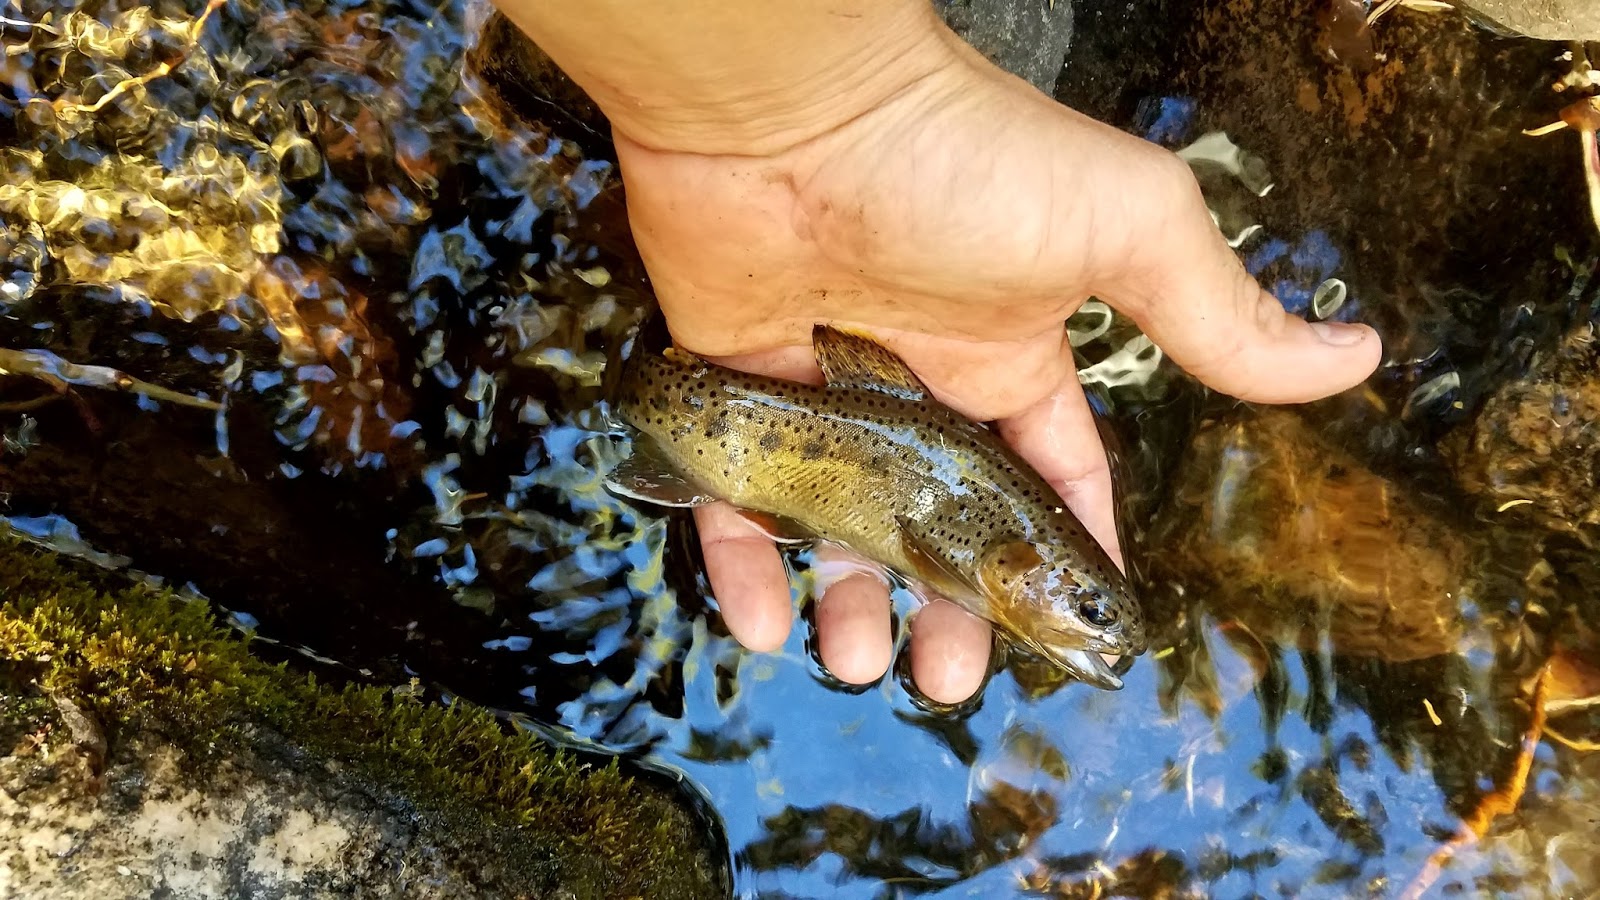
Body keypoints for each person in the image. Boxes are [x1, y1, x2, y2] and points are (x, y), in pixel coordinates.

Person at [491, 0, 1383, 704]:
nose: (1099, 640)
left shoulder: (994, 562)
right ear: (1028, 574)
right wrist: (826, 114)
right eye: (1087, 611)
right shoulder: (981, 562)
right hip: (768, 416)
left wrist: (801, 112)